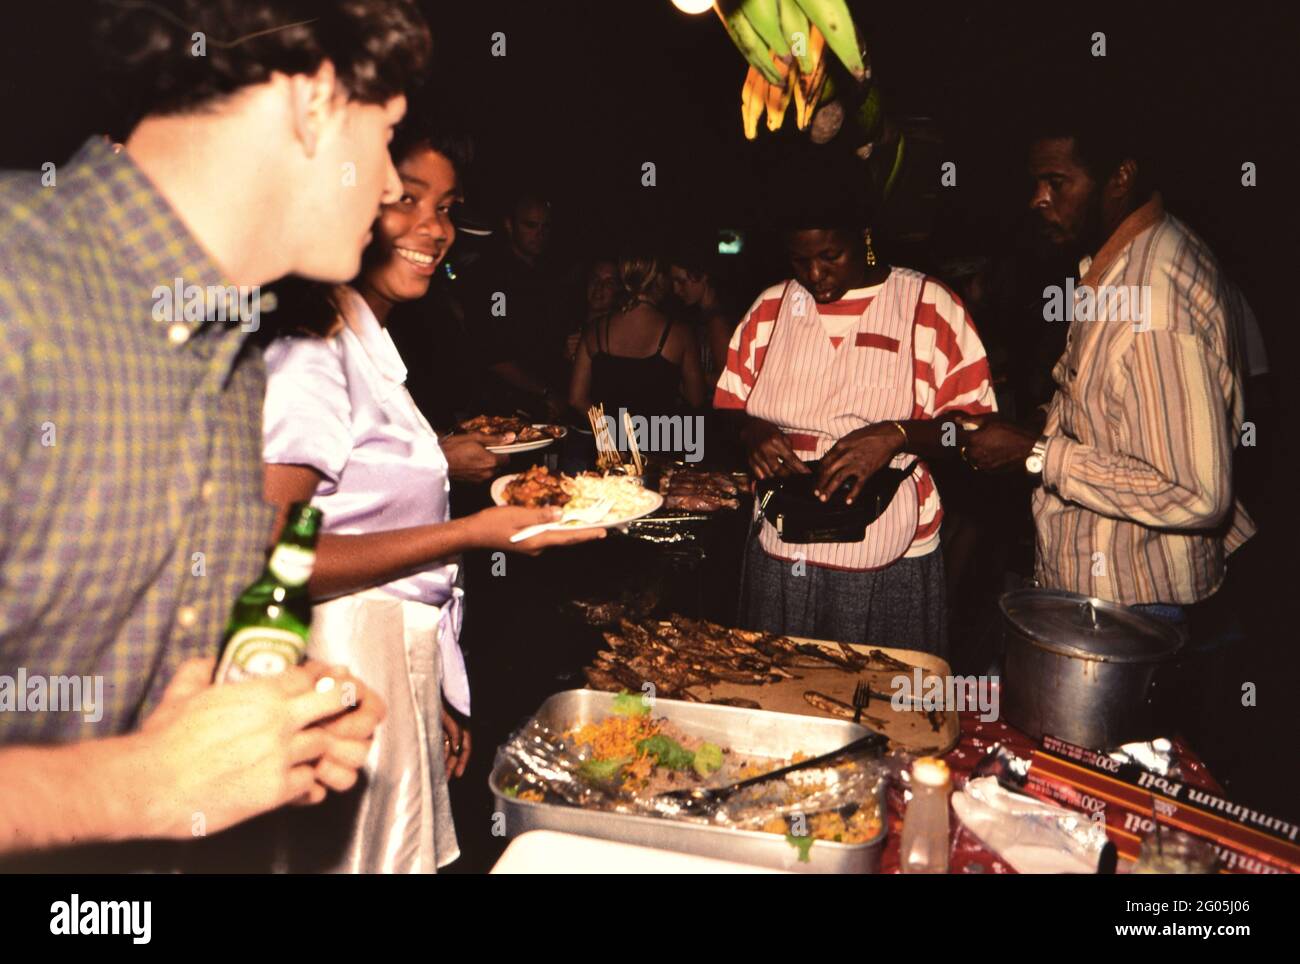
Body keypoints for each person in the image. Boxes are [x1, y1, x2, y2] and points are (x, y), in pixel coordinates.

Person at [0, 0, 430, 864]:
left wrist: (255, 731)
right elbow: (141, 776)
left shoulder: (232, 358)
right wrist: (140, 781)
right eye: (384, 135)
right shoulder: (16, 285)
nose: (389, 187)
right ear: (314, 100)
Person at [260, 119, 605, 873]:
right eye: (405, 199)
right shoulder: (310, 352)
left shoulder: (367, 343)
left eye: (447, 206)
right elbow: (272, 563)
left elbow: (365, 495)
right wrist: (472, 533)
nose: (434, 227)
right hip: (338, 666)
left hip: (386, 660)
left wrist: (432, 685)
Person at [961, 118, 1255, 631]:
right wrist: (1044, 427)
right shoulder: (1122, 262)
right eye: (1035, 182)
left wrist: (1036, 454)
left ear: (1120, 177)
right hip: (1108, 592)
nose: (1038, 199)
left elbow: (1196, 492)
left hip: (1133, 605)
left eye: (1057, 182)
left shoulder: (1154, 305)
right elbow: (1123, 416)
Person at [715, 196, 996, 656]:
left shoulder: (927, 304)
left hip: (890, 546)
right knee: (779, 692)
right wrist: (752, 431)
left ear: (862, 236)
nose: (815, 276)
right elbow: (725, 411)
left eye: (830, 257)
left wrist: (897, 435)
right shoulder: (771, 308)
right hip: (785, 543)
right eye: (799, 261)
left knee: (882, 698)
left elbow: (976, 434)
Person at [458, 190, 566, 419]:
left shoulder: (548, 275)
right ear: (510, 225)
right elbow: (493, 353)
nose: (539, 234)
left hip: (543, 403)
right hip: (502, 407)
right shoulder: (493, 277)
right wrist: (546, 392)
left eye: (545, 227)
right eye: (530, 225)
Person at [569, 254, 707, 423]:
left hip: (611, 447)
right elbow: (696, 399)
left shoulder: (594, 330)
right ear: (660, 280)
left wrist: (611, 430)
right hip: (658, 443)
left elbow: (577, 399)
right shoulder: (680, 333)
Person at [670, 246, 734, 385]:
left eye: (681, 282)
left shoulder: (717, 321)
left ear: (703, 276)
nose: (676, 290)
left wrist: (689, 377)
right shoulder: (703, 315)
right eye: (673, 282)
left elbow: (729, 380)